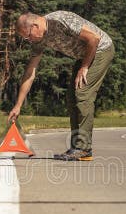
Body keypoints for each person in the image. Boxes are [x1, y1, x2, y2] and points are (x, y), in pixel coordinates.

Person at [8, 11, 114, 161]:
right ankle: (76, 147)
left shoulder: (59, 20)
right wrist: (18, 105)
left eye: (28, 36)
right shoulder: (39, 40)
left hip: (101, 49)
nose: (29, 40)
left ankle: (84, 149)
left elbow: (94, 38)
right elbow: (30, 72)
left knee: (82, 94)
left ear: (35, 25)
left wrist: (84, 68)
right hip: (84, 56)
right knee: (71, 98)